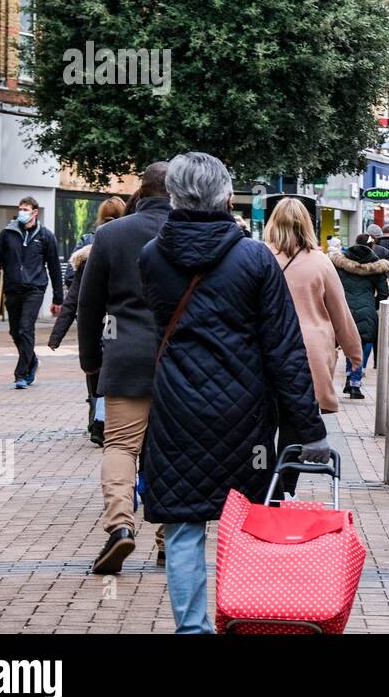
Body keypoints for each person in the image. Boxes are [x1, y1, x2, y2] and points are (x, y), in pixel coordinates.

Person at [140, 152, 329, 633]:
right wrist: (309, 429)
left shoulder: (152, 257)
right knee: (248, 521)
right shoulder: (255, 258)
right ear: (227, 196)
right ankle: (246, 617)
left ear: (174, 196)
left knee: (183, 525)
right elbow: (284, 350)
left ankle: (192, 627)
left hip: (177, 409)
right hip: (244, 413)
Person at [77, 163, 173, 575]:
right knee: (174, 449)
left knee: (120, 446)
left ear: (141, 190)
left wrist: (91, 361)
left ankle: (120, 525)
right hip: (181, 361)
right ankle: (170, 539)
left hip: (126, 355)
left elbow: (89, 304)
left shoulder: (112, 234)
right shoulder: (192, 231)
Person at [264, 198, 362, 418]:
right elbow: (340, 313)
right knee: (302, 425)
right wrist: (354, 353)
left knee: (267, 419)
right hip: (312, 352)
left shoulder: (260, 257)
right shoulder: (321, 262)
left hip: (268, 347)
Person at [48, 196, 126, 445]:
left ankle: (97, 420)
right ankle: (104, 421)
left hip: (94, 321)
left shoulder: (87, 254)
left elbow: (74, 299)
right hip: (117, 321)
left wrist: (56, 335)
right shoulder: (128, 247)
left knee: (95, 371)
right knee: (111, 368)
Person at [0, 196, 63, 389]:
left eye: (25, 209)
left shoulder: (45, 236)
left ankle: (22, 374)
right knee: (15, 331)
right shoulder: (7, 234)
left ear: (35, 212)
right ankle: (32, 360)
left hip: (35, 288)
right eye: (20, 209)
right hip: (13, 288)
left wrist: (58, 298)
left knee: (26, 328)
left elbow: (54, 268)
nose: (22, 212)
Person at [332, 233, 389, 399]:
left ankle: (349, 377)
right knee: (362, 344)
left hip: (344, 310)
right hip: (367, 310)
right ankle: (355, 385)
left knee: (348, 343)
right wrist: (372, 303)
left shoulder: (340, 264)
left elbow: (332, 286)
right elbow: (384, 293)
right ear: (372, 246)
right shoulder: (377, 268)